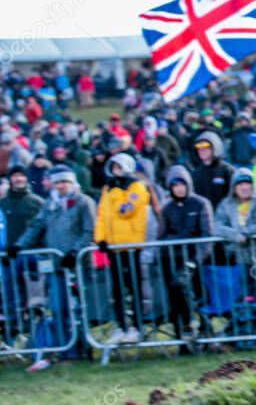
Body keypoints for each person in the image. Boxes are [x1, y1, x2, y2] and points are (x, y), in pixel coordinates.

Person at [14, 165, 95, 367]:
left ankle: (84, 348)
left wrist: (75, 252)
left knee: (80, 309)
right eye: (57, 182)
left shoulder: (83, 202)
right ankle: (66, 352)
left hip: (78, 264)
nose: (60, 186)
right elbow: (37, 227)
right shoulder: (50, 204)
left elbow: (89, 230)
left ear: (72, 182)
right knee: (59, 309)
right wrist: (19, 245)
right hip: (56, 265)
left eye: (64, 181)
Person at [212, 169, 256, 336]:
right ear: (234, 187)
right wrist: (235, 235)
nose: (244, 187)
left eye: (248, 183)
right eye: (240, 184)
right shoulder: (227, 204)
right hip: (243, 258)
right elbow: (217, 226)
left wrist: (245, 233)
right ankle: (252, 333)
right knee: (247, 298)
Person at [93, 154, 151, 344]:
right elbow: (102, 214)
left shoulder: (136, 186)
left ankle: (137, 326)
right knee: (117, 290)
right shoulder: (108, 188)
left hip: (131, 245)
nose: (116, 171)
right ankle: (121, 326)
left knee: (134, 287)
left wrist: (117, 193)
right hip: (114, 247)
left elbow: (126, 210)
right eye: (113, 167)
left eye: (119, 167)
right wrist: (101, 238)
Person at [157, 165, 214, 344]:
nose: (179, 188)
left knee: (184, 286)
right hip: (171, 258)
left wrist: (196, 259)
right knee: (174, 295)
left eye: (182, 184)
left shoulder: (200, 203)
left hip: (193, 257)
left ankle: (195, 325)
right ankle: (181, 336)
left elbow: (207, 234)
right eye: (175, 185)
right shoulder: (167, 208)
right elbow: (161, 235)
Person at [1, 166, 44, 328]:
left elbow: (45, 226)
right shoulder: (3, 203)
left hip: (33, 253)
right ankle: (14, 326)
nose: (18, 179)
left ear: (26, 178)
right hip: (9, 255)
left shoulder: (37, 202)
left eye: (21, 175)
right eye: (15, 176)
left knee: (35, 294)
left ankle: (36, 324)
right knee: (11, 292)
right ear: (10, 179)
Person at [189, 132, 234, 208]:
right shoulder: (196, 173)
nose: (202, 151)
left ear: (215, 148)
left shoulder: (227, 171)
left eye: (206, 147)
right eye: (199, 148)